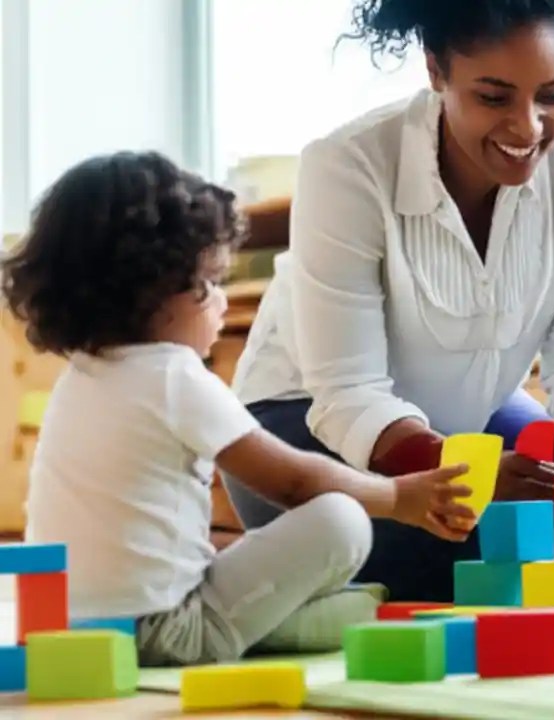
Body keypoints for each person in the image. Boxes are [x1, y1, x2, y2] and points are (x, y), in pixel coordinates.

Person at [225, 0, 554, 602]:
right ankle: (288, 555)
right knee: (499, 551)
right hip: (302, 430)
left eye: (553, 96)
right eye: (494, 98)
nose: (528, 127)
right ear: (437, 72)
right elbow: (348, 395)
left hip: (469, 418)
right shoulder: (347, 165)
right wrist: (475, 477)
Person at [3, 151, 475, 666]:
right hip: (167, 631)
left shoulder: (81, 377)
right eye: (207, 286)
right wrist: (397, 496)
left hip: (66, 630)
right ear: (147, 293)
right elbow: (291, 482)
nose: (222, 303)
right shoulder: (172, 376)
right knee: (343, 521)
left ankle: (278, 619)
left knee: (245, 558)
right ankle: (272, 628)